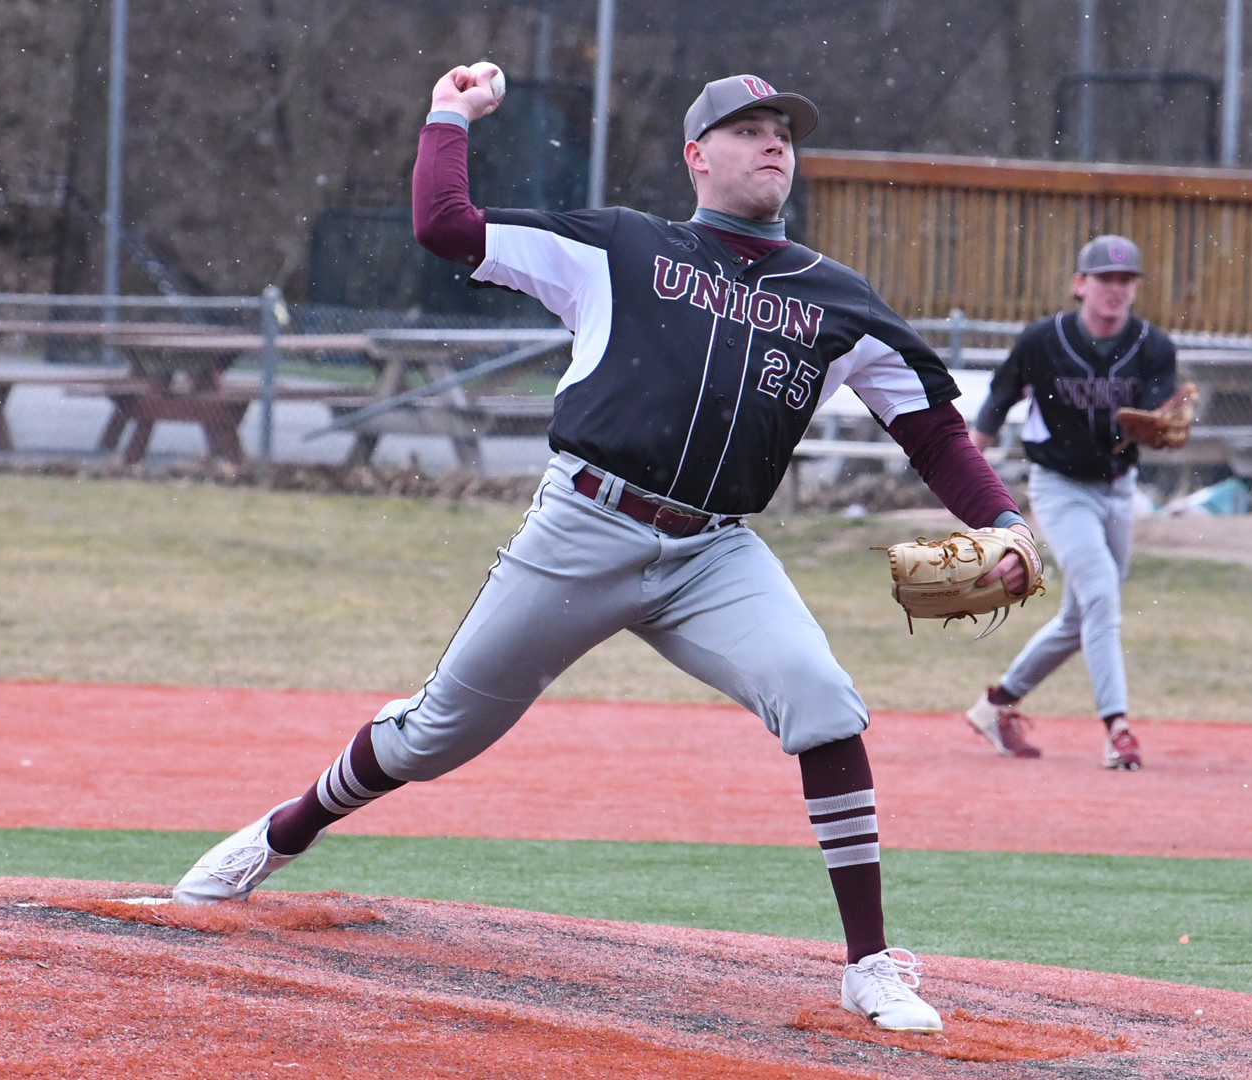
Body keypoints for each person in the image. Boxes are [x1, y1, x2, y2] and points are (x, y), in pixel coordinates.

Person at [173, 68, 1034, 1033]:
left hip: (715, 555)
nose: (773, 143)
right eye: (746, 128)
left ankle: (870, 964)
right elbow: (445, 226)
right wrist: (449, 116)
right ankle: (281, 834)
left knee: (824, 701)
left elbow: (936, 434)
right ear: (696, 157)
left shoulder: (839, 302)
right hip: (586, 525)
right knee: (433, 736)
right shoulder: (618, 245)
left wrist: (1001, 521)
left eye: (782, 130)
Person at [964, 236, 1178, 770]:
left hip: (1119, 490)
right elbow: (994, 408)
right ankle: (1118, 730)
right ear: (1079, 284)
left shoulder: (1153, 346)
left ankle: (996, 707)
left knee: (1081, 616)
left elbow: (1162, 420)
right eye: (1104, 278)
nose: (1116, 289)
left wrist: (1164, 427)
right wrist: (962, 484)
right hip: (1059, 488)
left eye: (1126, 281)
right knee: (1102, 596)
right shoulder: (1042, 341)